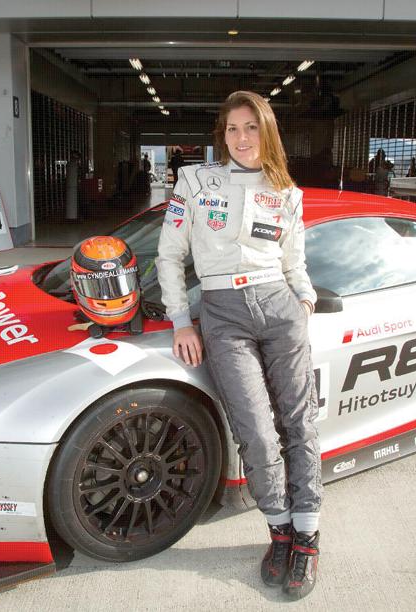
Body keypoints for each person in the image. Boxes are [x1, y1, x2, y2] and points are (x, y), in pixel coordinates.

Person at [156, 91, 320, 599]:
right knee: (255, 429)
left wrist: (306, 301)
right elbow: (168, 254)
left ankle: (308, 536)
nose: (241, 138)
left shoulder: (287, 190)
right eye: (232, 129)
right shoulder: (194, 181)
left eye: (251, 128)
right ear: (221, 135)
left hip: (279, 307)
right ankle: (278, 529)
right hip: (223, 314)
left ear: (266, 131)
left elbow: (294, 263)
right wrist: (182, 320)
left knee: (298, 421)